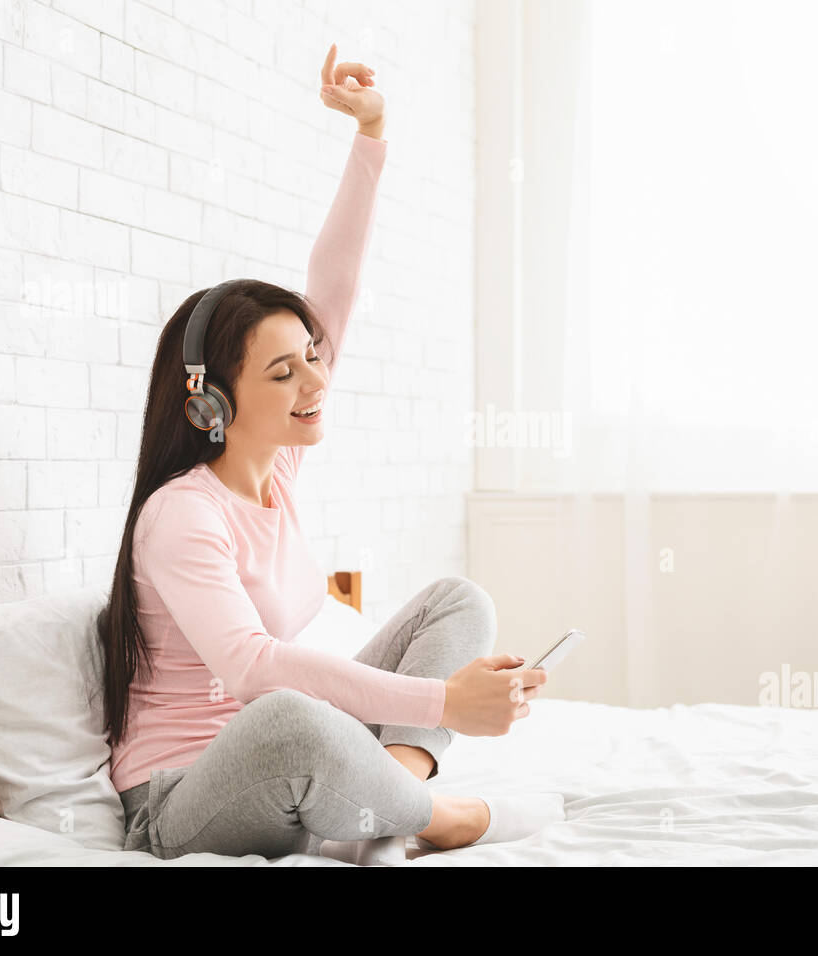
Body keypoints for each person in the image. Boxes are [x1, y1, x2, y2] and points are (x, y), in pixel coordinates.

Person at [95, 44, 564, 865]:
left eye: (313, 356)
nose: (317, 377)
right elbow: (250, 670)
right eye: (285, 370)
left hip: (294, 766)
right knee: (285, 709)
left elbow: (334, 286)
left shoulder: (274, 467)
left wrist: (372, 132)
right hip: (184, 796)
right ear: (212, 403)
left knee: (457, 600)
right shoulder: (180, 516)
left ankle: (385, 799)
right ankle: (430, 816)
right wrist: (444, 699)